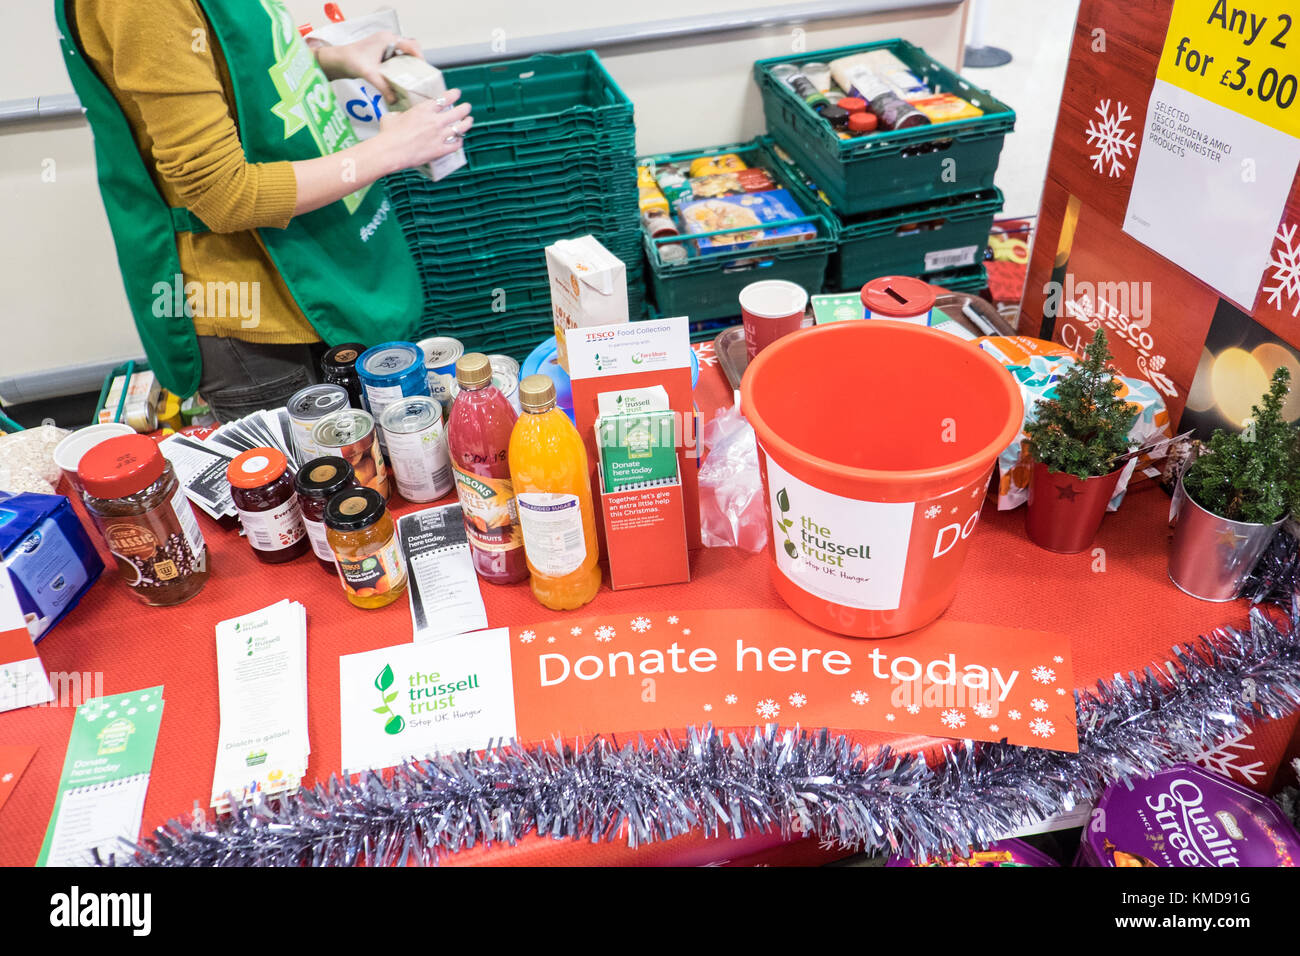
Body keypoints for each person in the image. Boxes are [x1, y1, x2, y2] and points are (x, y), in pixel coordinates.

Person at [57, 0, 470, 421]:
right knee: (308, 475)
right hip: (250, 308)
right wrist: (390, 150)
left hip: (307, 259)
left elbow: (231, 62)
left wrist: (334, 58)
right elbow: (223, 194)